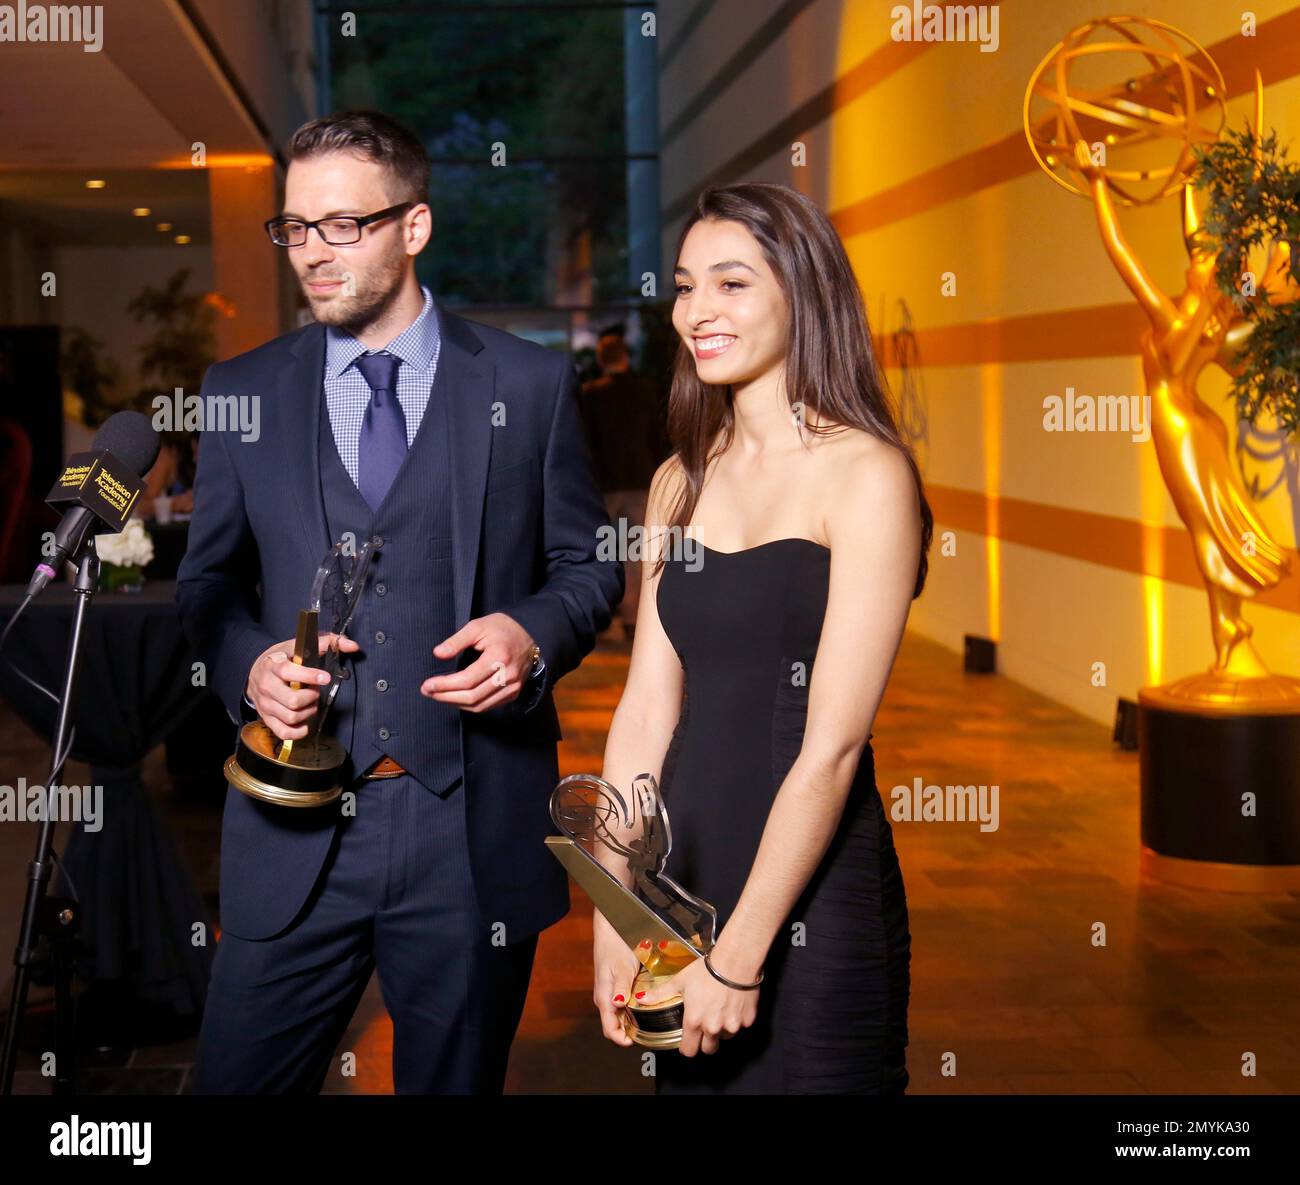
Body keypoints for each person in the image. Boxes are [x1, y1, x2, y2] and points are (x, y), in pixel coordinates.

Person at [176, 110, 622, 1094]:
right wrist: (249, 664)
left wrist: (531, 633)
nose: (311, 254)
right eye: (294, 228)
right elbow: (205, 586)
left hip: (469, 830)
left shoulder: (527, 382)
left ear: (413, 228)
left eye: (343, 226)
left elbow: (591, 564)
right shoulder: (239, 389)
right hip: (292, 821)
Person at [589, 182, 932, 1093]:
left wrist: (739, 954)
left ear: (801, 292)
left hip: (813, 892)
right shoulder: (678, 482)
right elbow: (645, 709)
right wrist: (615, 909)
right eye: (686, 285)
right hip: (684, 866)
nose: (698, 310)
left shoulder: (866, 476)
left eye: (732, 283)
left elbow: (834, 747)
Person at [578, 328, 666, 640]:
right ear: (625, 357)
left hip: (603, 485)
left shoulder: (591, 394)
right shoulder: (645, 390)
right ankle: (633, 618)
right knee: (635, 553)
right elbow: (658, 437)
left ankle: (602, 616)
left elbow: (584, 443)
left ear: (601, 360)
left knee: (603, 552)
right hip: (642, 480)